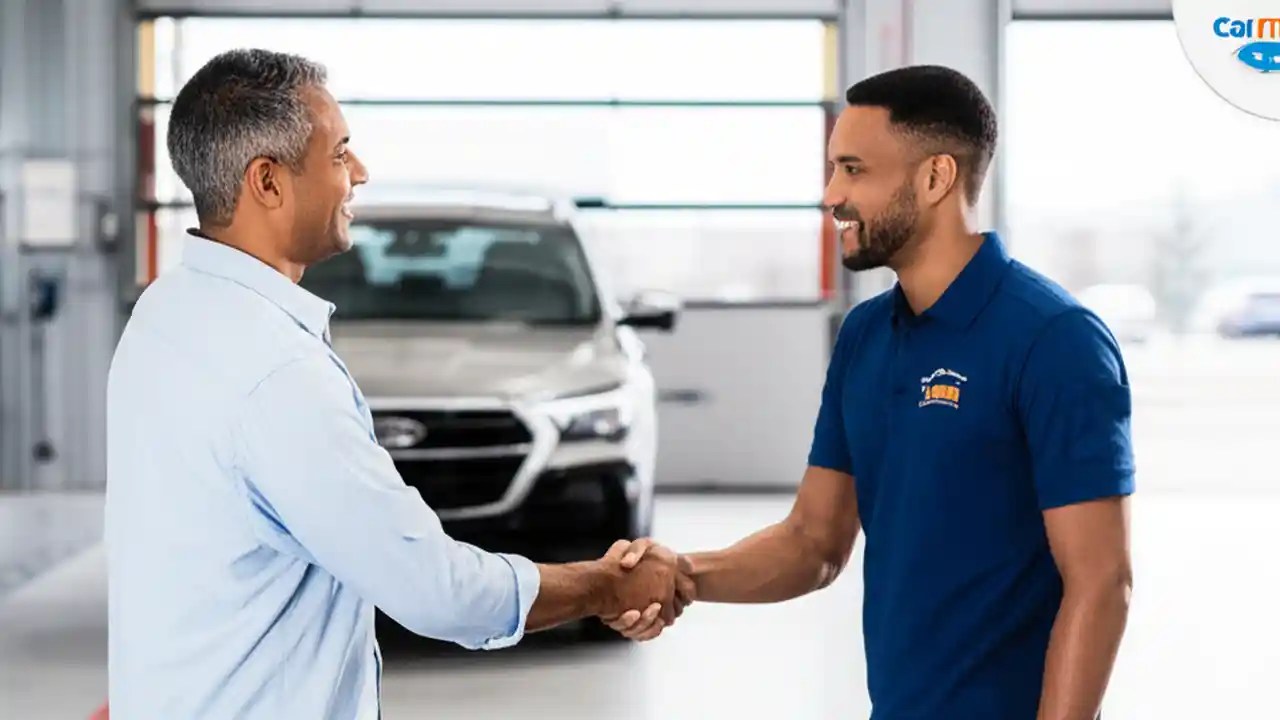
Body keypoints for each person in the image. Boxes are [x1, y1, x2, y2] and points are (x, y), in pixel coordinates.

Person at [104, 48, 691, 720]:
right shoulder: (276, 372)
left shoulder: (165, 312)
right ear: (267, 182)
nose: (359, 173)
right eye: (339, 153)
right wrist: (603, 586)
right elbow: (438, 591)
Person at [607, 65, 1135, 719]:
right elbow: (813, 542)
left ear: (935, 177)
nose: (832, 195)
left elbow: (1101, 581)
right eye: (833, 168)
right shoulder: (865, 335)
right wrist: (684, 574)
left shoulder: (1055, 339)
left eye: (854, 169)